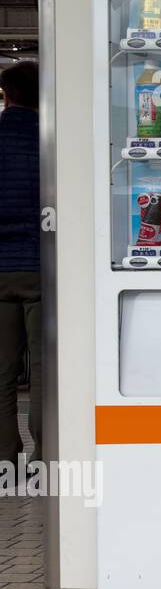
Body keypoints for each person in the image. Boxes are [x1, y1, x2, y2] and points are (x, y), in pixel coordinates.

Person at [0, 60, 41, 467]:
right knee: (46, 371)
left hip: (1, 269)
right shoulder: (49, 139)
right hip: (43, 268)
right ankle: (45, 455)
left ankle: (4, 460)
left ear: (6, 94)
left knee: (2, 375)